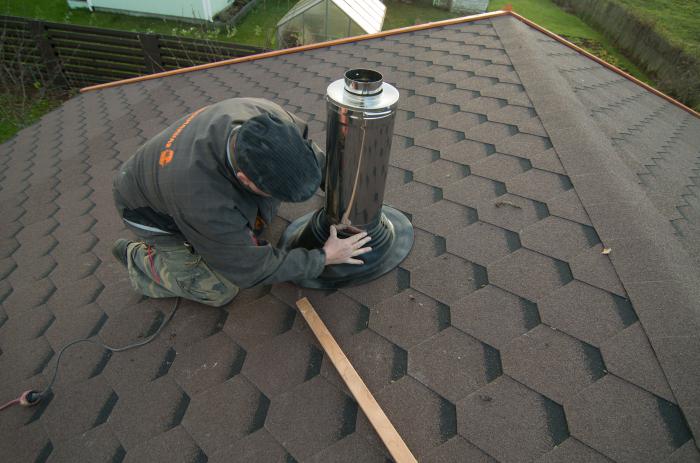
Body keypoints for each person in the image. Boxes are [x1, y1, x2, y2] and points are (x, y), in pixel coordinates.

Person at [111, 97, 372, 307]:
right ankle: (139, 259)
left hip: (183, 173)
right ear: (243, 178)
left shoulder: (270, 117)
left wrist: (346, 201)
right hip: (146, 209)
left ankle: (222, 234)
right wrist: (323, 257)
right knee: (219, 290)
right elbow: (250, 268)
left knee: (260, 221)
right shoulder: (203, 201)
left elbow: (307, 158)